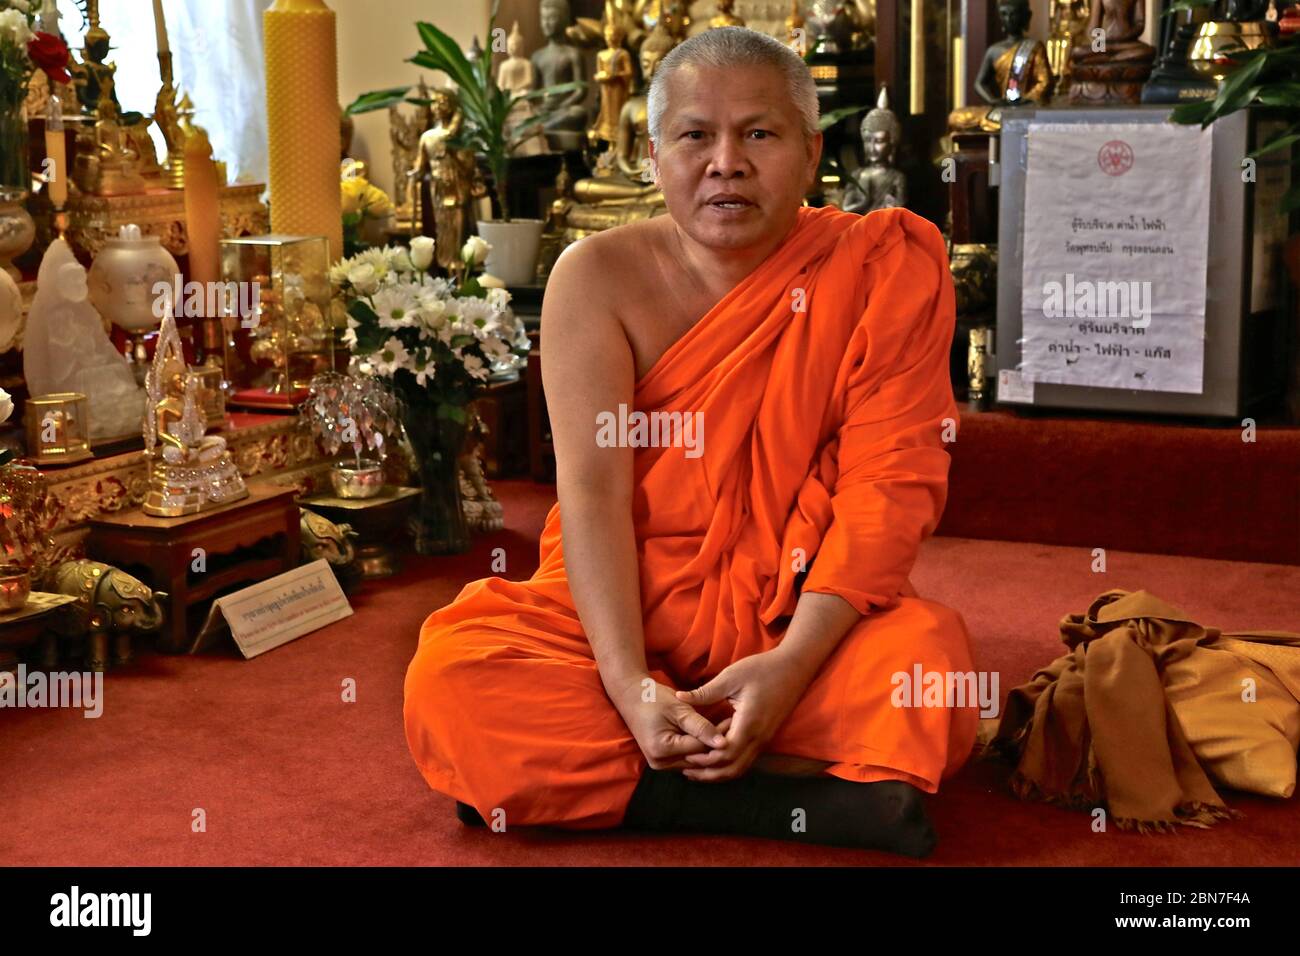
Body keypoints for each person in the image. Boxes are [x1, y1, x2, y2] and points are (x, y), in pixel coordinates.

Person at [404, 26, 978, 858]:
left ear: (812, 150)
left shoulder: (883, 264)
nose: (726, 163)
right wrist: (631, 684)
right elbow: (592, 496)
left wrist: (789, 669)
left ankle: (610, 780)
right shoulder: (596, 277)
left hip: (797, 614)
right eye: (695, 136)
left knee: (929, 676)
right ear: (652, 154)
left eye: (759, 133)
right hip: (618, 611)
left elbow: (889, 489)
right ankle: (782, 796)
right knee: (453, 681)